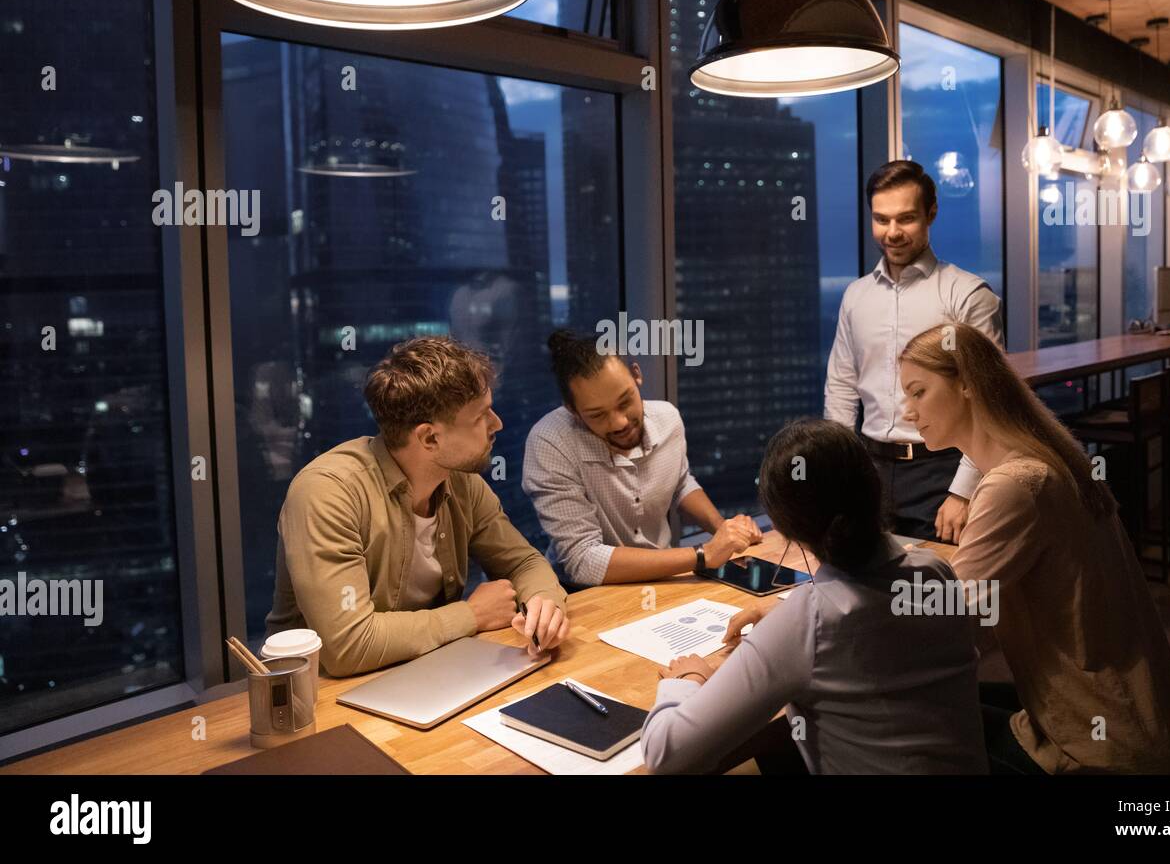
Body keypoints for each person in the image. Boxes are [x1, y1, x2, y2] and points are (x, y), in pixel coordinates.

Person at [898, 322, 1170, 774]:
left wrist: (843, 604)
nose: (908, 411)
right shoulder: (1044, 456)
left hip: (1105, 747)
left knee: (909, 733)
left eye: (918, 392)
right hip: (1153, 719)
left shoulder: (1013, 485)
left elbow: (946, 623)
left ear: (967, 384)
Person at [639, 418, 989, 774]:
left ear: (781, 525)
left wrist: (687, 681)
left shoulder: (806, 624)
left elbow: (665, 755)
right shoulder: (936, 573)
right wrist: (786, 616)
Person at [266, 336, 570, 678]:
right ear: (429, 438)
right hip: (318, 698)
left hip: (428, 670)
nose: (497, 423)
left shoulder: (460, 481)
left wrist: (544, 604)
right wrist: (471, 615)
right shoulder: (328, 493)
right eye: (482, 415)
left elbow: (523, 562)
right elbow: (347, 645)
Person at [824, 160, 1003, 543]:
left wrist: (964, 490)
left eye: (905, 219)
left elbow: (989, 398)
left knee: (941, 598)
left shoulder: (968, 295)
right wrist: (842, 471)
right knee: (869, 593)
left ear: (931, 214)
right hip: (868, 471)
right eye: (881, 219)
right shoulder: (855, 297)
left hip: (942, 470)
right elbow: (841, 386)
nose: (892, 233)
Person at [522, 329, 760, 586]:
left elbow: (680, 484)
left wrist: (723, 529)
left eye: (625, 402)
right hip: (585, 594)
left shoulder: (668, 418)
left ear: (637, 375)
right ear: (573, 411)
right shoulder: (550, 442)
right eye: (597, 415)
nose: (619, 423)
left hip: (664, 578)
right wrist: (702, 555)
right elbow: (582, 559)